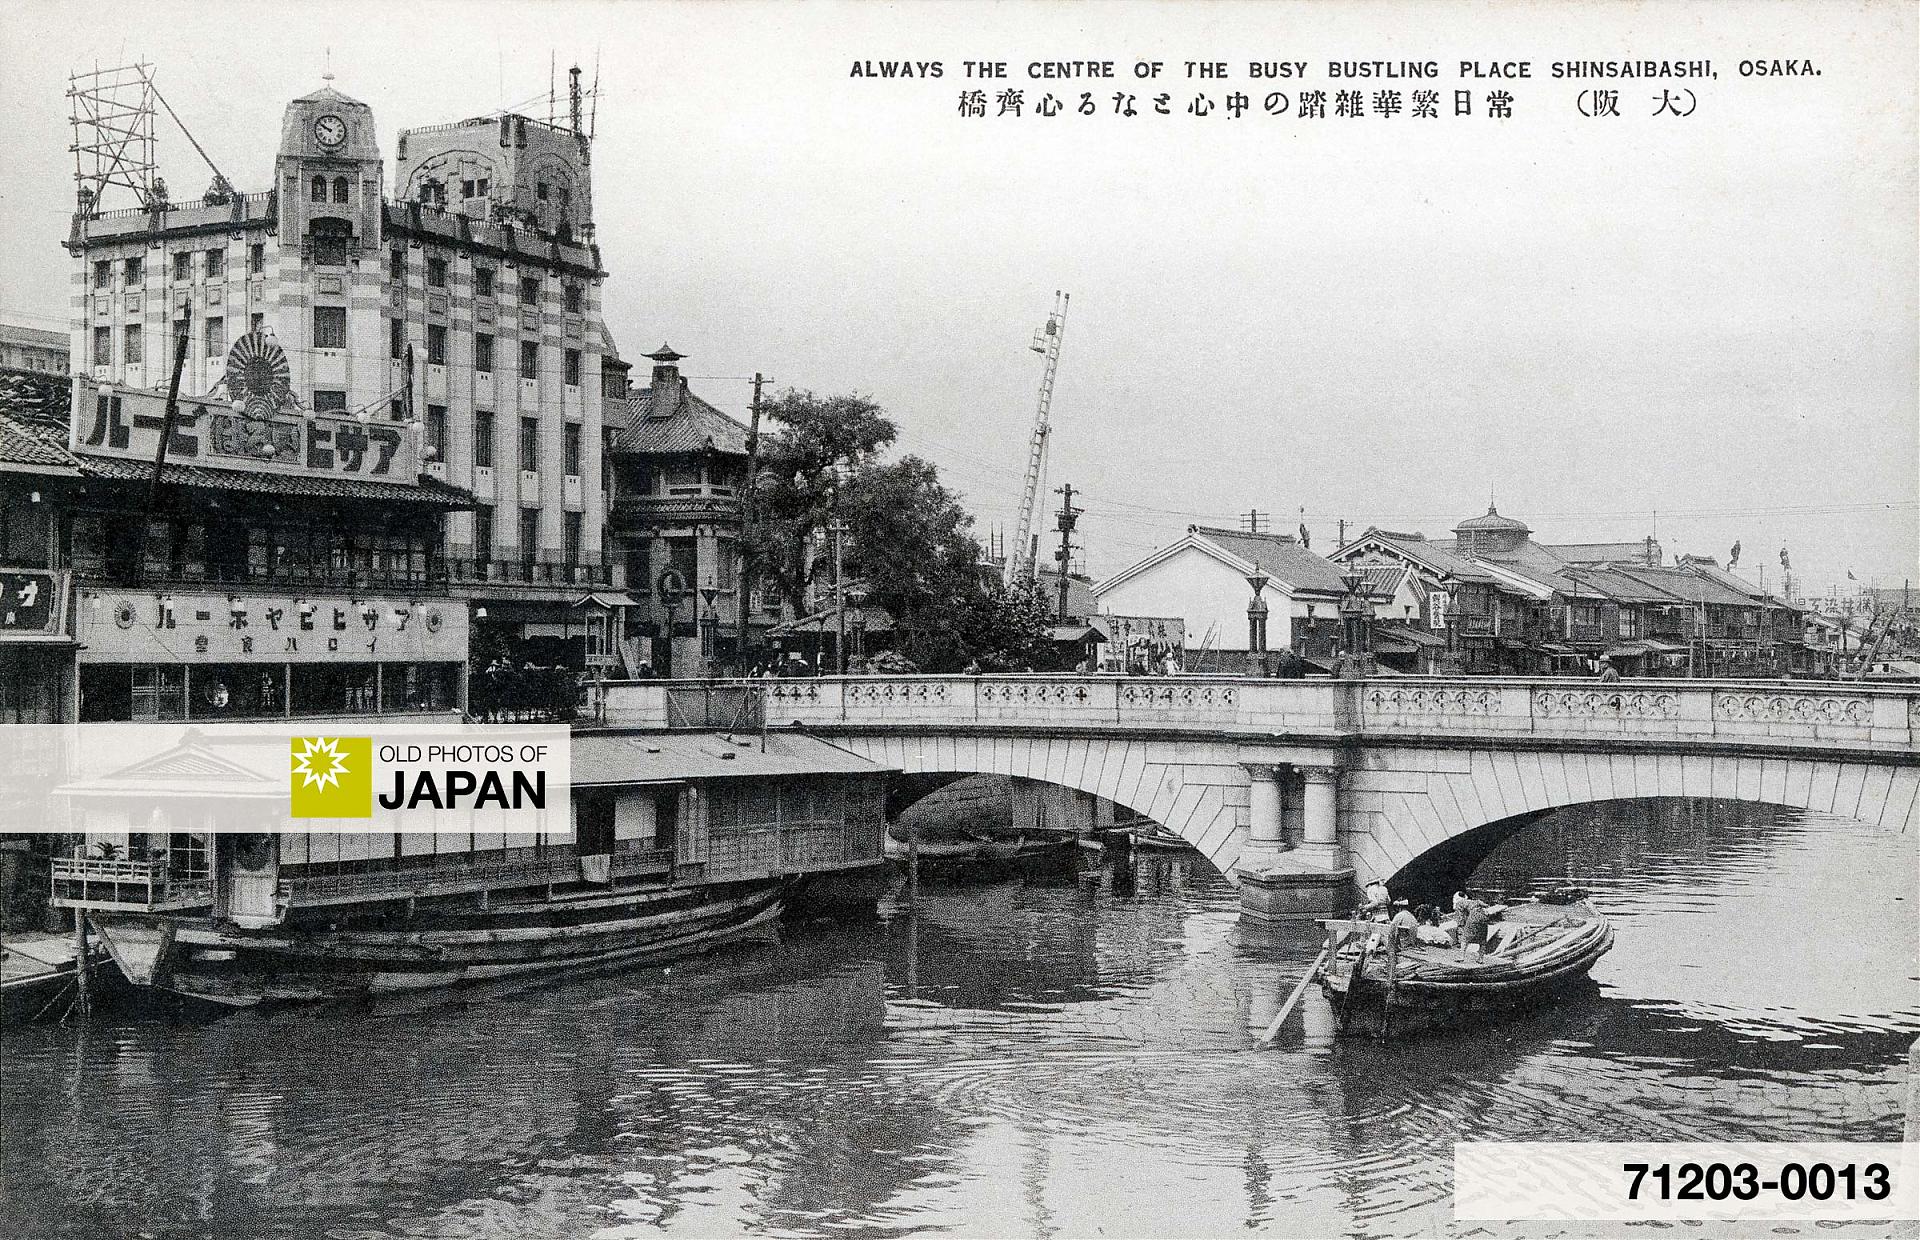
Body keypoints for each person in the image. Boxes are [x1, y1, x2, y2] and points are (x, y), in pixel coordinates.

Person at [1454, 890, 1491, 958]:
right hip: (1484, 917)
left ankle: (1461, 957)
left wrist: (1461, 925)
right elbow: (1486, 906)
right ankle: (1480, 958)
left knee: (1465, 938)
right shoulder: (1476, 901)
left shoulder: (1459, 903)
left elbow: (1460, 917)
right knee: (1482, 940)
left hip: (1474, 916)